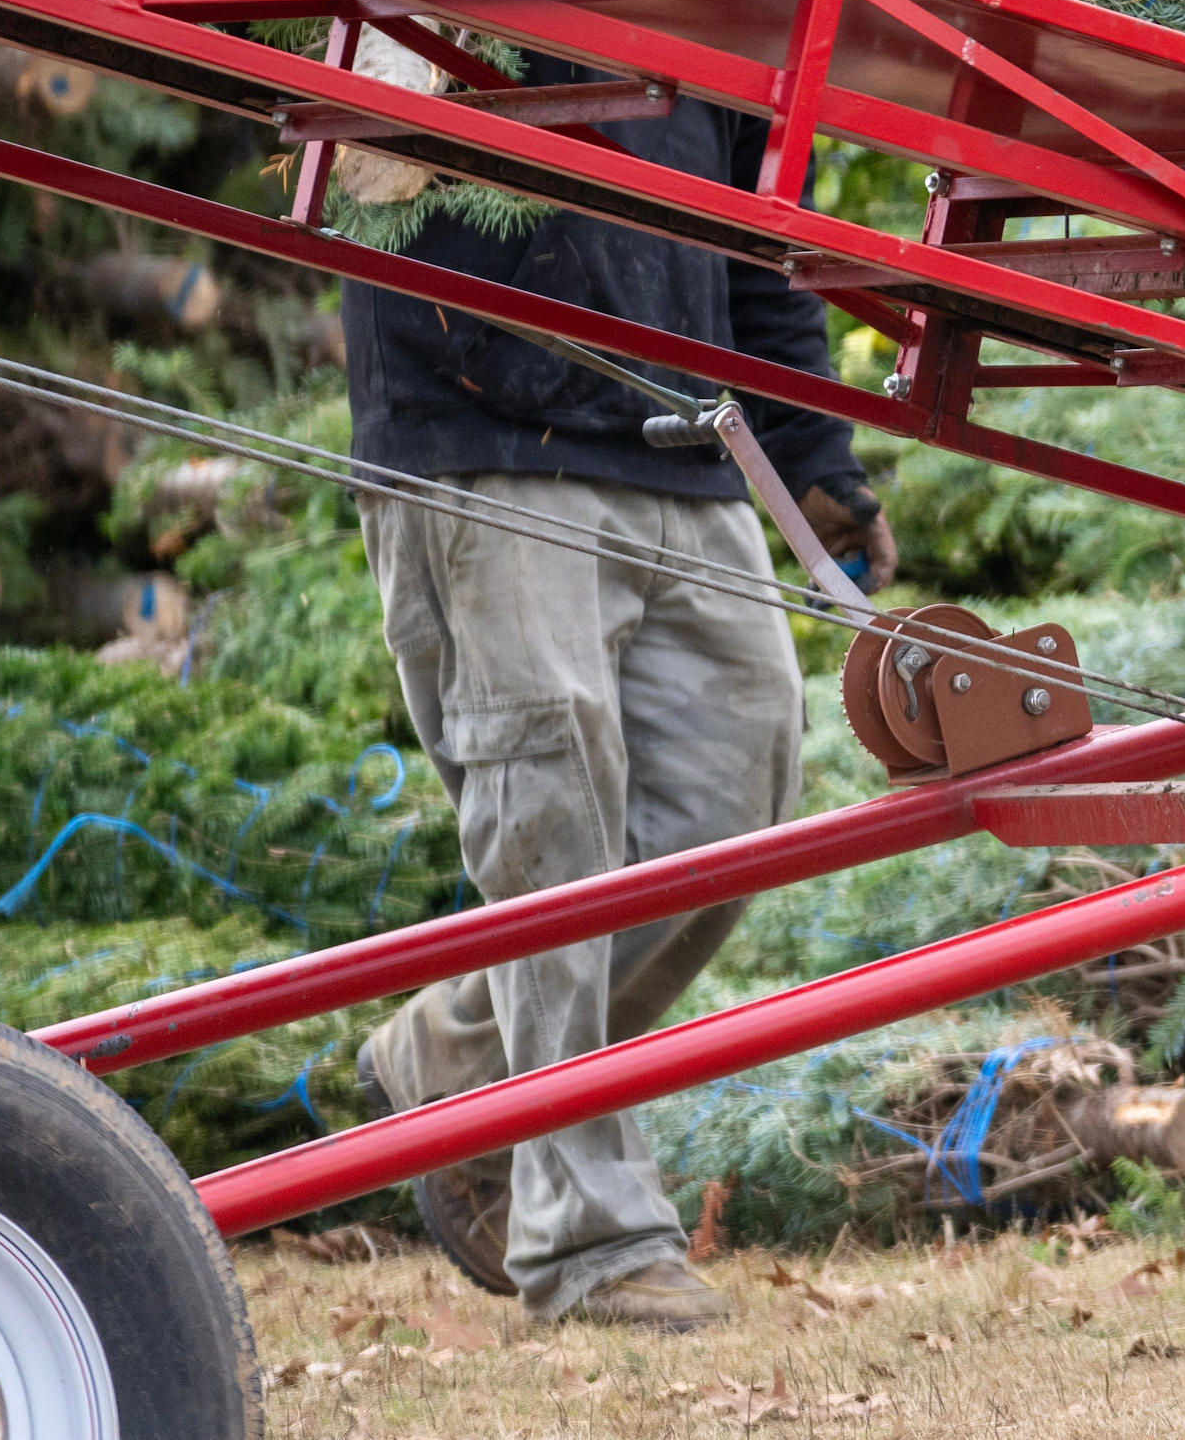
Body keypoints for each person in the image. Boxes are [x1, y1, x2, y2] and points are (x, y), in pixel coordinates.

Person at [341, 76, 893, 1329]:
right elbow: (231, 4)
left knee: (739, 801)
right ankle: (589, 1239)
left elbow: (756, 239)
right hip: (482, 429)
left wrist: (814, 463)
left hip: (686, 443)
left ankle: (461, 1059)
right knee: (555, 834)